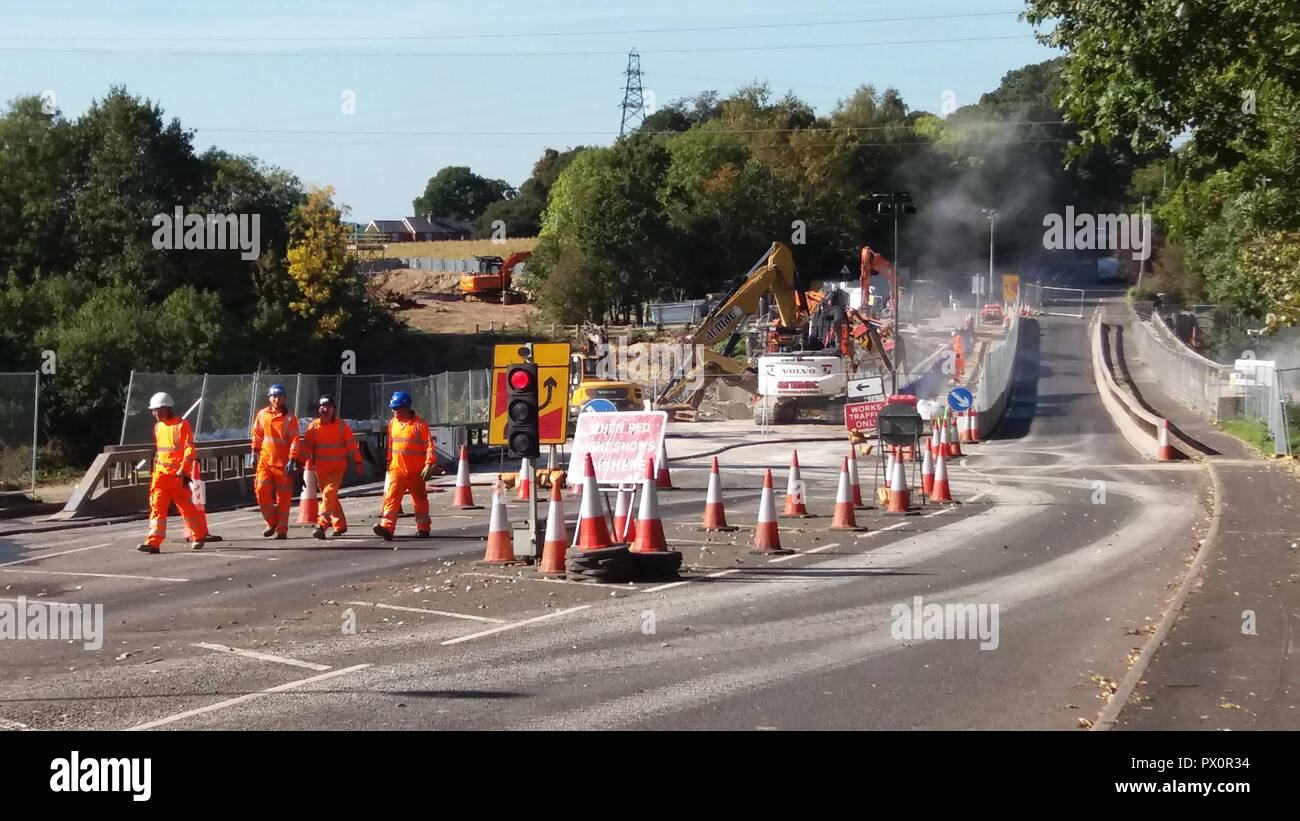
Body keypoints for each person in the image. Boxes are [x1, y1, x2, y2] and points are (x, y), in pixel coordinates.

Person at [137, 393, 222, 553]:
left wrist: (184, 469)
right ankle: (153, 543)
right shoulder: (158, 427)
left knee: (186, 507)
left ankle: (198, 536)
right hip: (161, 475)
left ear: (165, 409)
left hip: (178, 475)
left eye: (155, 410)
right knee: (157, 507)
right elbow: (160, 452)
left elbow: (189, 448)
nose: (153, 413)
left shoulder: (182, 425)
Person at [373, 391, 437, 541]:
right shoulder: (392, 423)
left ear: (406, 408)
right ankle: (387, 528)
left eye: (396, 408)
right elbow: (391, 445)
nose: (393, 411)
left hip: (416, 472)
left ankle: (423, 528)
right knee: (391, 498)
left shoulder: (419, 425)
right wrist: (389, 462)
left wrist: (429, 464)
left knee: (420, 500)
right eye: (392, 408)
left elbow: (429, 446)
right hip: (397, 470)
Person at [300, 395, 364, 540]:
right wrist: (299, 463)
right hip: (321, 471)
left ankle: (321, 524)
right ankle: (340, 524)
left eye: (328, 407)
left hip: (337, 469)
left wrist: (358, 462)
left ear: (333, 409)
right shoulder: (313, 427)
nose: (325, 410)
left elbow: (352, 446)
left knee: (328, 495)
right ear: (319, 409)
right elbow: (306, 449)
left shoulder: (341, 426)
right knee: (330, 497)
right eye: (323, 407)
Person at [251, 383, 301, 539]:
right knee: (260, 490)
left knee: (284, 499)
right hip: (265, 461)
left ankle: (281, 530)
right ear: (269, 398)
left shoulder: (290, 418)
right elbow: (257, 434)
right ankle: (272, 522)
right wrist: (254, 451)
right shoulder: (262, 415)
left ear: (284, 398)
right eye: (274, 396)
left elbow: (295, 440)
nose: (277, 400)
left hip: (283, 464)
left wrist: (292, 459)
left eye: (280, 397)